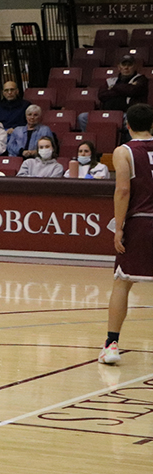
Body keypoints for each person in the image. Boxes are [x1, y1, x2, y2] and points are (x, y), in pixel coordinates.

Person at [101, 102, 153, 366]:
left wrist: (119, 226)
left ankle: (111, 345)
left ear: (128, 125)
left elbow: (122, 190)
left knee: (122, 282)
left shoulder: (124, 151)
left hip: (142, 222)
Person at [84, 56, 150, 131]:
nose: (126, 67)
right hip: (107, 113)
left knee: (133, 121)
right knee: (82, 117)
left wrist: (113, 87)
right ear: (119, 67)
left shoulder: (141, 79)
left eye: (129, 65)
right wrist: (125, 89)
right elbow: (102, 95)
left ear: (134, 66)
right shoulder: (111, 80)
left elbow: (132, 90)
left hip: (127, 114)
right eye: (124, 65)